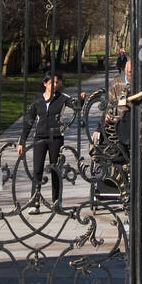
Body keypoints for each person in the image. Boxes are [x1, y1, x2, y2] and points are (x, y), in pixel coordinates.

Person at [17, 71, 85, 213]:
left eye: (57, 82)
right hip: (40, 139)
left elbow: (76, 106)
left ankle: (56, 203)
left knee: (56, 170)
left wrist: (81, 100)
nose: (55, 85)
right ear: (45, 83)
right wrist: (22, 141)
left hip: (56, 139)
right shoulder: (37, 101)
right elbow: (29, 121)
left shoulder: (62, 98)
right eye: (52, 82)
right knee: (37, 171)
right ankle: (34, 203)